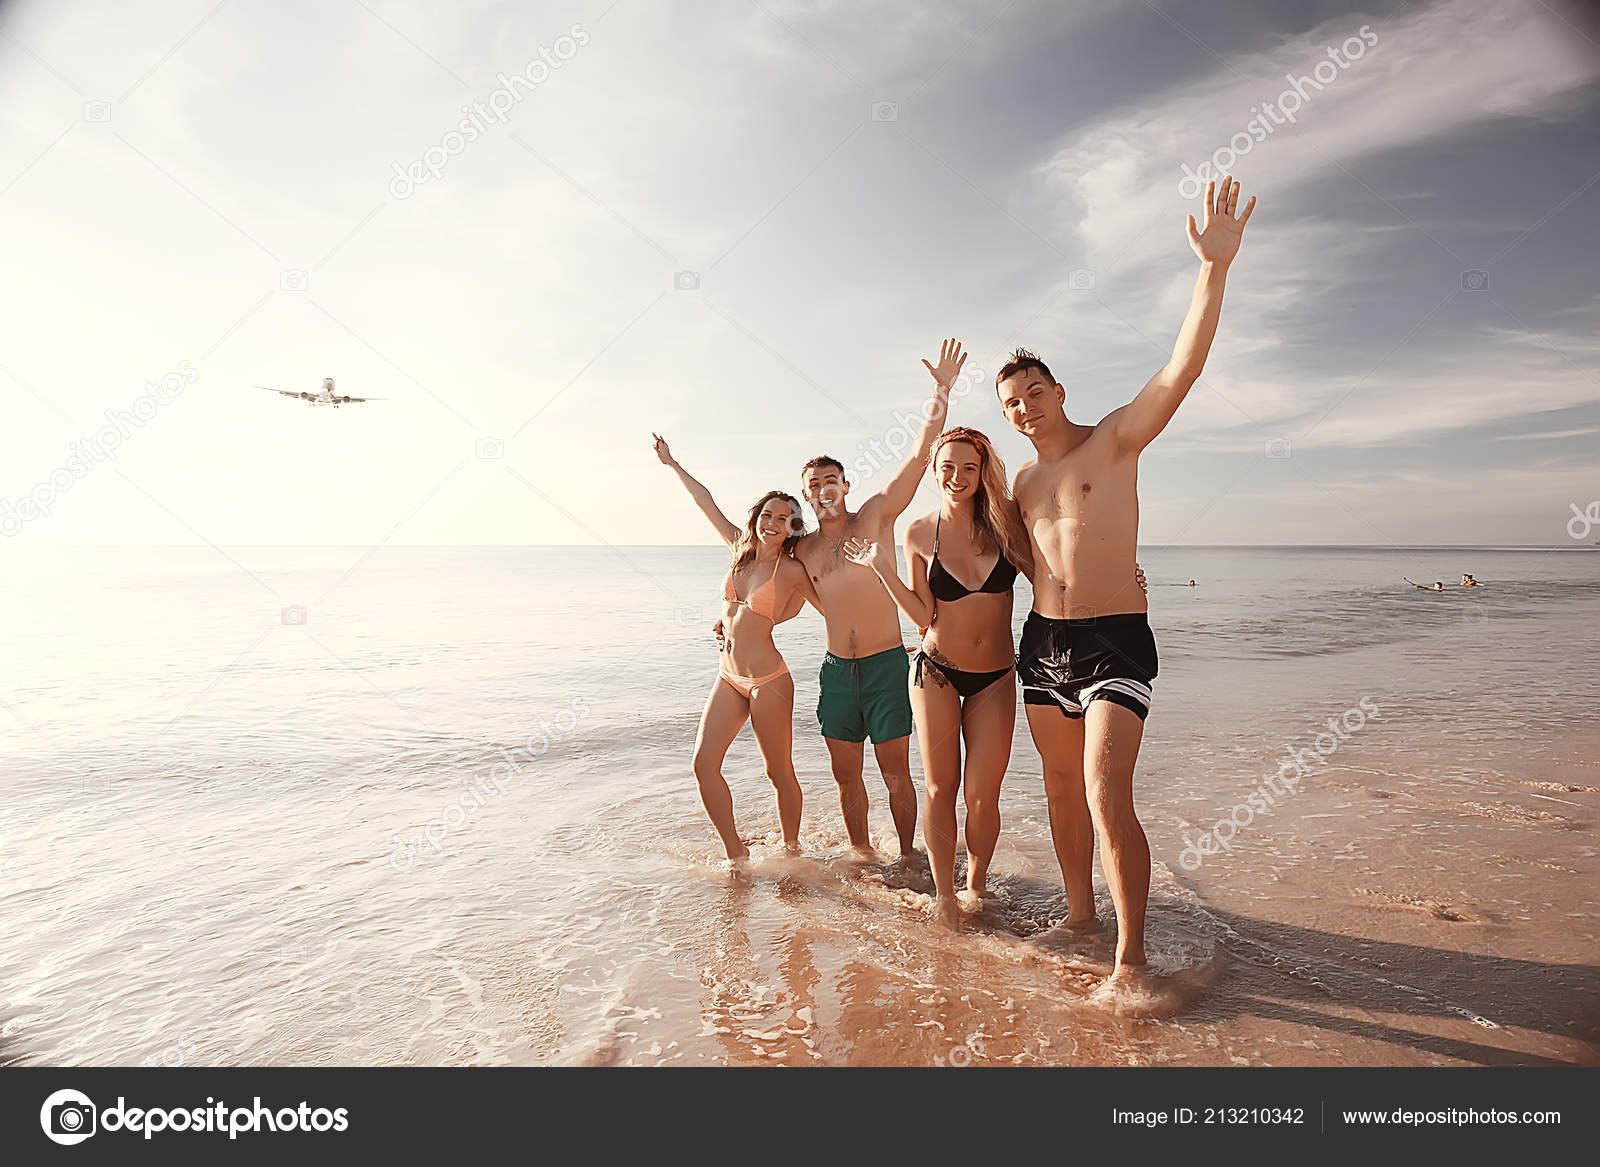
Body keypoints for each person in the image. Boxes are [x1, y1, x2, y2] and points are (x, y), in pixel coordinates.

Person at [1000, 175, 1256, 990]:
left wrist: (1213, 268)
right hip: (1043, 646)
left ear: (1059, 391)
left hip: (1115, 641)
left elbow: (1181, 370)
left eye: (1034, 392)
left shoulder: (1113, 439)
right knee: (1061, 794)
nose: (1025, 407)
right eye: (1011, 403)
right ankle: (1080, 917)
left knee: (1106, 794)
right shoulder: (1020, 485)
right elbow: (1009, 562)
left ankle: (1130, 959)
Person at [842, 426, 1031, 927]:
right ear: (933, 470)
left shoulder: (1007, 525)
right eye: (948, 466)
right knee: (940, 787)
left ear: (983, 471)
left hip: (995, 676)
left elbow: (1052, 577)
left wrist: (1118, 579)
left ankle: (977, 887)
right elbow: (924, 616)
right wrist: (882, 569)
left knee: (983, 794)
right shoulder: (920, 532)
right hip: (937, 673)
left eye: (970, 467)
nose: (958, 476)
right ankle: (945, 896)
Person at [793, 340, 965, 863]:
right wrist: (728, 619)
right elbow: (760, 572)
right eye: (814, 485)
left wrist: (940, 391)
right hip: (836, 672)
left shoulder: (875, 516)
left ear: (845, 485)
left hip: (886, 666)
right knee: (845, 776)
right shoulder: (803, 549)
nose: (823, 489)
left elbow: (918, 456)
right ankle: (862, 855)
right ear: (807, 496)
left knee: (895, 773)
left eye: (830, 481)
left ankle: (909, 857)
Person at [653, 434, 822, 861]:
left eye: (783, 518)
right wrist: (672, 463)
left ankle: (792, 852)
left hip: (769, 680)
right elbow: (704, 501)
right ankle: (736, 855)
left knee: (777, 771)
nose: (772, 522)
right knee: (703, 765)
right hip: (728, 676)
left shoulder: (792, 570)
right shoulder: (738, 550)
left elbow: (833, 610)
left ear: (792, 528)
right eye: (767, 514)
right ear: (756, 518)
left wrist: (884, 638)